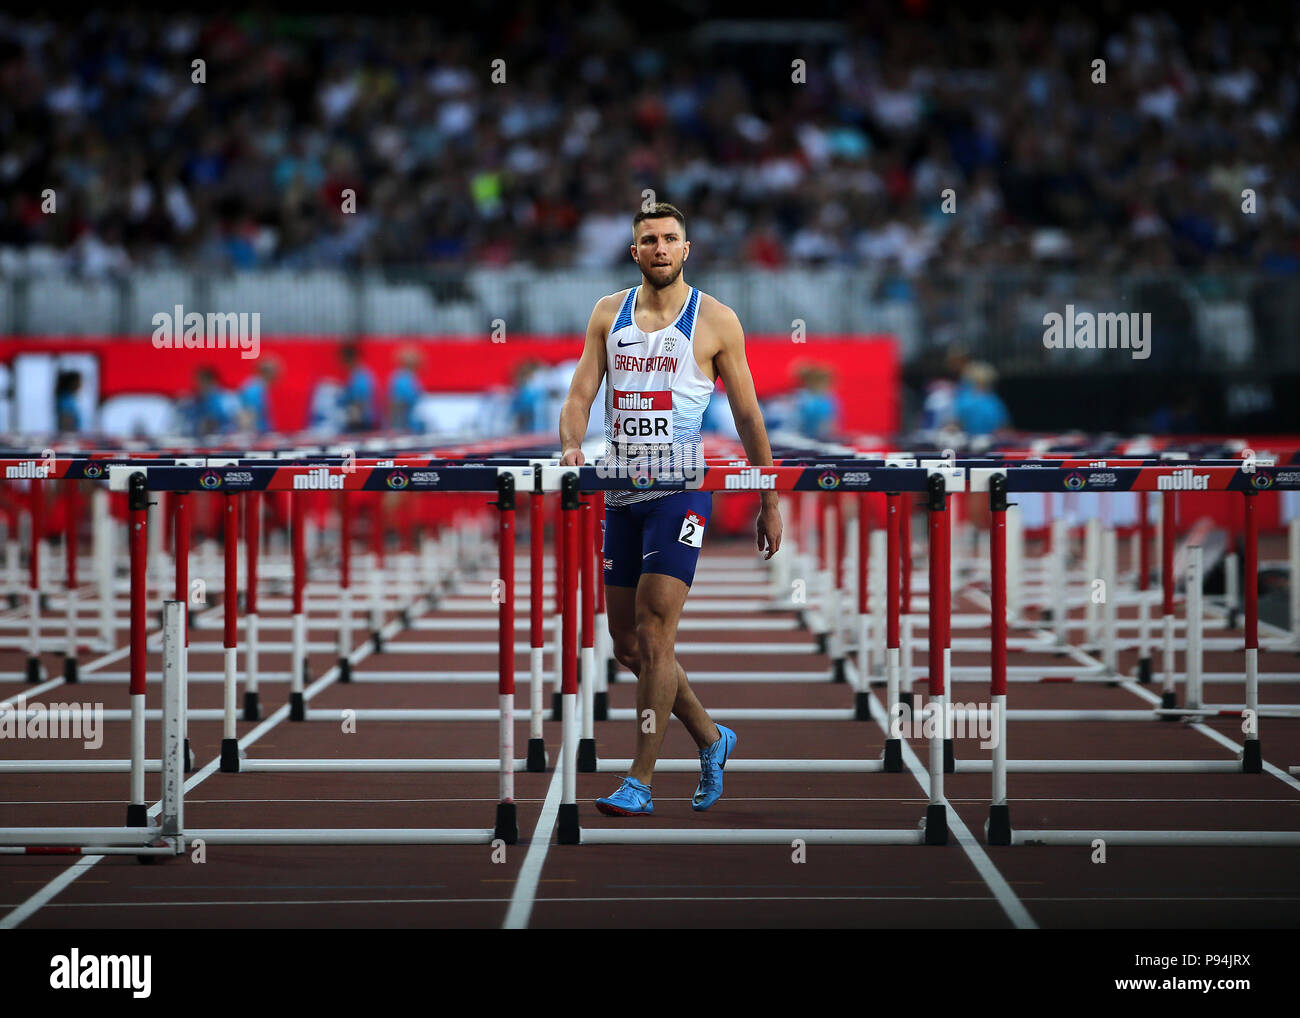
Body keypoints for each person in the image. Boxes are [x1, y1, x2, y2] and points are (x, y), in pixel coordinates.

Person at [559, 201, 783, 817]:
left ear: (687, 250)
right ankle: (712, 738)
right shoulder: (609, 313)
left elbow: (747, 414)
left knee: (657, 633)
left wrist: (768, 495)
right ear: (635, 251)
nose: (659, 248)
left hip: (682, 491)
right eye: (649, 240)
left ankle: (640, 777)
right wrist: (572, 447)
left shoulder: (716, 321)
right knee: (628, 646)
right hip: (620, 493)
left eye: (670, 239)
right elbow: (581, 392)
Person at [953, 360, 1010, 437]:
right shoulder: (965, 399)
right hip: (975, 440)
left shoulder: (993, 400)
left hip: (986, 441)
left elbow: (1003, 426)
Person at [791, 362, 839, 439]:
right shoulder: (802, 398)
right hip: (803, 436)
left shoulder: (830, 398)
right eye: (823, 381)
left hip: (823, 437)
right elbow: (795, 421)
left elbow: (832, 422)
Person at [338, 342, 377, 432]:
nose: (342, 365)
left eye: (342, 361)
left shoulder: (360, 378)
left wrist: (353, 427)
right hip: (362, 422)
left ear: (349, 359)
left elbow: (359, 404)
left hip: (362, 424)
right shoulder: (358, 376)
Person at [237, 357, 281, 433]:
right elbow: (248, 419)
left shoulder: (260, 388)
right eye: (276, 372)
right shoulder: (253, 389)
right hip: (256, 435)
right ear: (268, 373)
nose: (278, 376)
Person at [388, 347, 424, 432]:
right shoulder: (402, 380)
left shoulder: (409, 378)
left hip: (408, 424)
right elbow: (399, 405)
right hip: (404, 426)